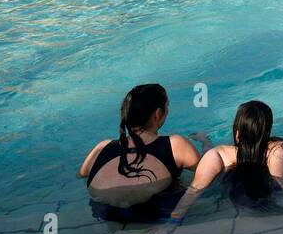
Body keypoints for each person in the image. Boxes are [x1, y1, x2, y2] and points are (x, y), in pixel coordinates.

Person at [144, 100, 283, 234]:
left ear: (237, 134)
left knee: (209, 155)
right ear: (267, 132)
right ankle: (205, 140)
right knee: (210, 155)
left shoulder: (219, 154)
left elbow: (194, 190)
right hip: (254, 186)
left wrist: (172, 222)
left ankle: (204, 140)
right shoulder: (278, 149)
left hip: (224, 171)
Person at [78, 84, 201, 219]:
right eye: (167, 107)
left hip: (103, 212)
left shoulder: (101, 147)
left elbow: (81, 175)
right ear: (158, 113)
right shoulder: (176, 144)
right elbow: (209, 170)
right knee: (182, 183)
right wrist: (205, 143)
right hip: (153, 212)